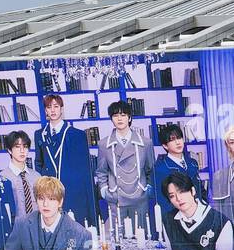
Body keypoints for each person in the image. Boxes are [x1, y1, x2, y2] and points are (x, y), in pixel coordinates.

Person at [3, 176, 92, 250]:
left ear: (60, 202)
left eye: (51, 199)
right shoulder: (22, 224)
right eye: (41, 198)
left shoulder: (82, 235)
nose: (45, 204)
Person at [36, 92, 98, 227]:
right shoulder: (39, 134)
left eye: (56, 106)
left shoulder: (77, 135)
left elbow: (85, 172)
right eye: (49, 107)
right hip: (50, 192)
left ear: (61, 109)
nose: (52, 110)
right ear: (45, 110)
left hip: (72, 192)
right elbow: (39, 163)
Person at [94, 101, 155, 237]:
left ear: (130, 117)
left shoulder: (145, 142)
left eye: (123, 115)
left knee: (141, 239)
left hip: (139, 197)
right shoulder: (104, 144)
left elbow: (151, 170)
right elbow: (101, 171)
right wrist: (105, 191)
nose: (119, 119)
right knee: (118, 241)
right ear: (111, 119)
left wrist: (147, 189)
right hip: (116, 198)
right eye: (115, 116)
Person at [162, 171, 233, 250]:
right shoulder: (168, 221)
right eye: (172, 196)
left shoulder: (220, 223)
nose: (178, 198)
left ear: (193, 191)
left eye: (182, 191)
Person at [151, 122, 207, 229]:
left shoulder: (192, 162)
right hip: (177, 218)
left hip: (199, 214)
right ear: (165, 146)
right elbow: (162, 200)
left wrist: (203, 207)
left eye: (179, 138)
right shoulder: (160, 168)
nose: (178, 142)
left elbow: (199, 189)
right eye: (172, 140)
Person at [3, 130, 42, 221]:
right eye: (17, 147)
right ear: (9, 150)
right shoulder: (2, 178)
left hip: (36, 227)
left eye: (25, 147)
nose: (22, 151)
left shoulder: (37, 176)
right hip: (15, 229)